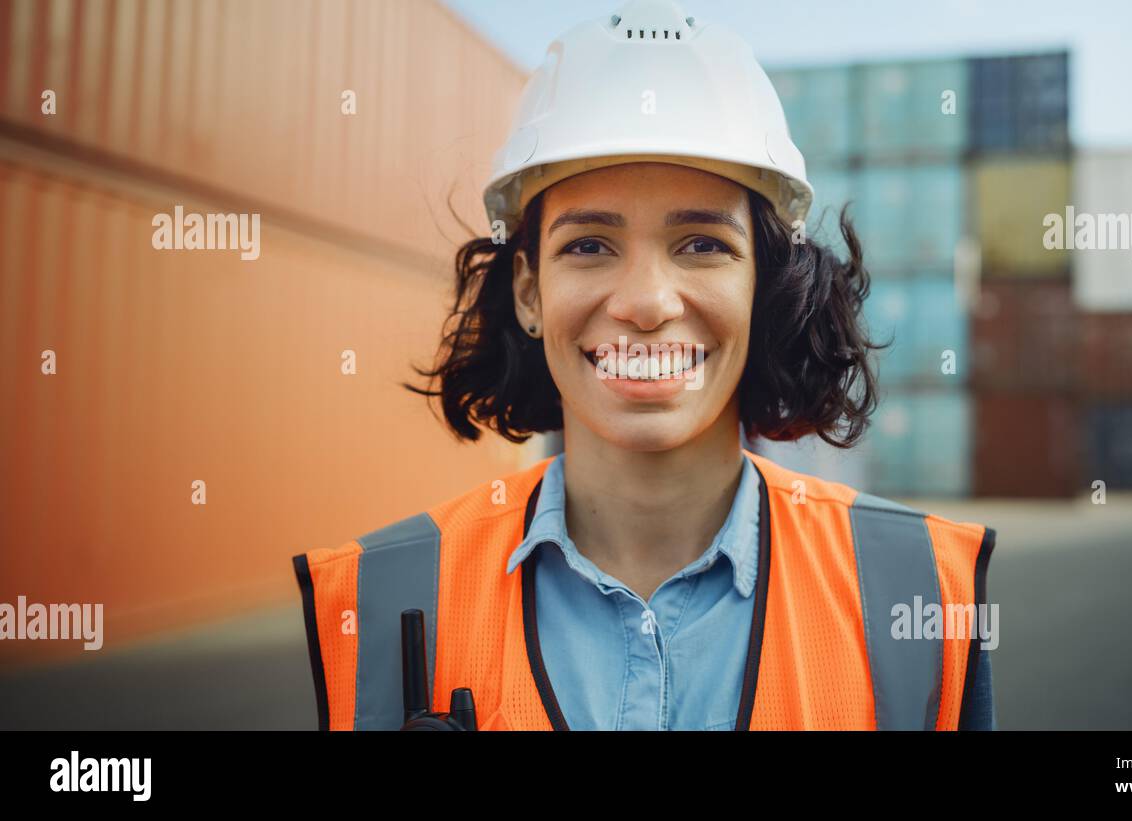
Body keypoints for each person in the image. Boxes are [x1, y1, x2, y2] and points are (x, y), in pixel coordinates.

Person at [292, 0, 996, 731]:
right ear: (530, 292)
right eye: (589, 245)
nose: (647, 302)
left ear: (767, 285)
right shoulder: (381, 594)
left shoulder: (916, 590)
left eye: (701, 244)